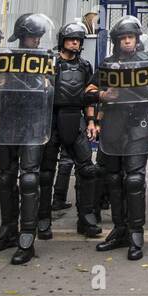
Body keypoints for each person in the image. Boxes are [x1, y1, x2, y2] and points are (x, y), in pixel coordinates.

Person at [0, 14, 57, 265]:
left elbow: (52, 91)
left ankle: (27, 234)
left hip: (34, 122)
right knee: (5, 177)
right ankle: (7, 229)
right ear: (21, 36)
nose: (34, 41)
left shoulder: (47, 58)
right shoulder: (7, 58)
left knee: (29, 178)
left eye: (37, 36)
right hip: (10, 120)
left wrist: (47, 85)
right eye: (30, 36)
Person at [90, 16, 148, 260]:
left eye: (130, 37)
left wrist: (141, 89)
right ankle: (120, 229)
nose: (127, 41)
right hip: (113, 125)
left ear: (137, 39)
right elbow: (89, 91)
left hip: (138, 124)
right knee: (113, 179)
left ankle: (135, 233)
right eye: (123, 38)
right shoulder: (107, 63)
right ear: (116, 41)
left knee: (133, 179)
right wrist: (103, 95)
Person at [36, 20, 101, 240]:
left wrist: (91, 121)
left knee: (88, 170)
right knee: (45, 173)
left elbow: (89, 96)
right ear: (62, 41)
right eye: (71, 39)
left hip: (76, 118)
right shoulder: (49, 62)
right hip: (51, 119)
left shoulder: (84, 66)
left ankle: (87, 218)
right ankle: (43, 219)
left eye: (78, 40)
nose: (74, 42)